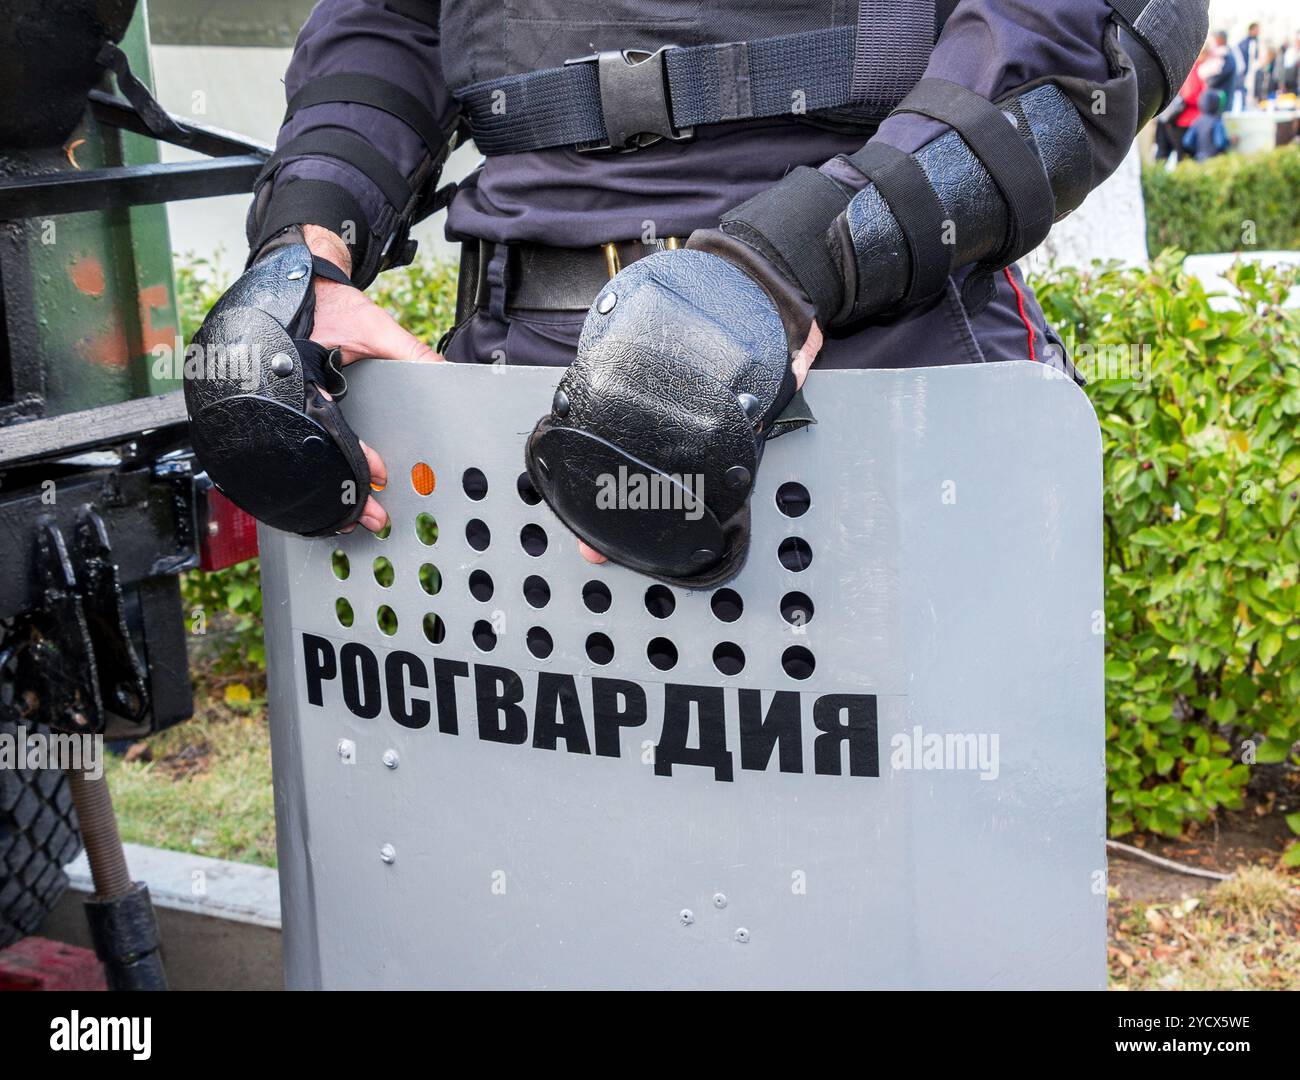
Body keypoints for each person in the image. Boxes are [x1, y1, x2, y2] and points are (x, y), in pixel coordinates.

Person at [185, 1, 1208, 581]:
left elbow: (1097, 29)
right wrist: (301, 253)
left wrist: (783, 268)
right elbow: (388, 25)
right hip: (507, 398)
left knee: (886, 888)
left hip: (857, 370)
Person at [1156, 47, 1207, 161]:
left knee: (1180, 155)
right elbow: (1189, 95)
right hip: (1184, 121)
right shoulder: (1193, 70)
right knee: (1184, 156)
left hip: (1183, 120)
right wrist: (1203, 101)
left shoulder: (1188, 69)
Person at [1183, 88, 1231, 160]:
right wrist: (1229, 141)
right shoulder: (1217, 122)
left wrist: (1196, 151)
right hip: (1213, 160)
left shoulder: (1196, 122)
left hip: (1199, 158)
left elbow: (1187, 142)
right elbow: (1220, 143)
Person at [1234, 22, 1260, 111]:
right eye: (1256, 30)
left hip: (1252, 74)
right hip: (1245, 74)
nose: (1258, 32)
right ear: (1251, 30)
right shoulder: (1244, 43)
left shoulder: (1256, 42)